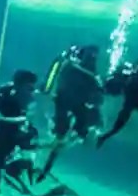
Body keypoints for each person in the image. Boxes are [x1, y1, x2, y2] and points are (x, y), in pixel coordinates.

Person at [36, 43, 105, 181]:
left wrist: (46, 89)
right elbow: (97, 93)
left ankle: (45, 163)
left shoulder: (69, 64)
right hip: (69, 102)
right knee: (64, 133)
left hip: (71, 102)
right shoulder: (72, 65)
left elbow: (97, 94)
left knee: (65, 133)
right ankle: (43, 163)